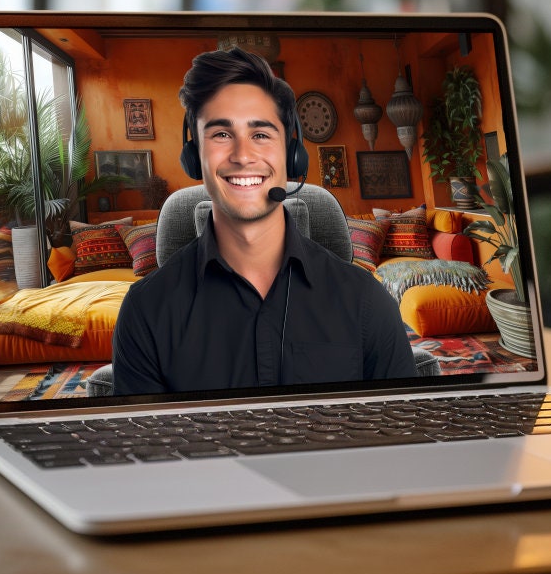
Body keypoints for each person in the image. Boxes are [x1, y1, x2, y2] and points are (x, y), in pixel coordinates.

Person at [111, 46, 417, 395]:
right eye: (221, 134)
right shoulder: (145, 312)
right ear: (194, 156)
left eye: (260, 134)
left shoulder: (365, 301)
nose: (243, 156)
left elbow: (399, 441)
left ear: (292, 155)